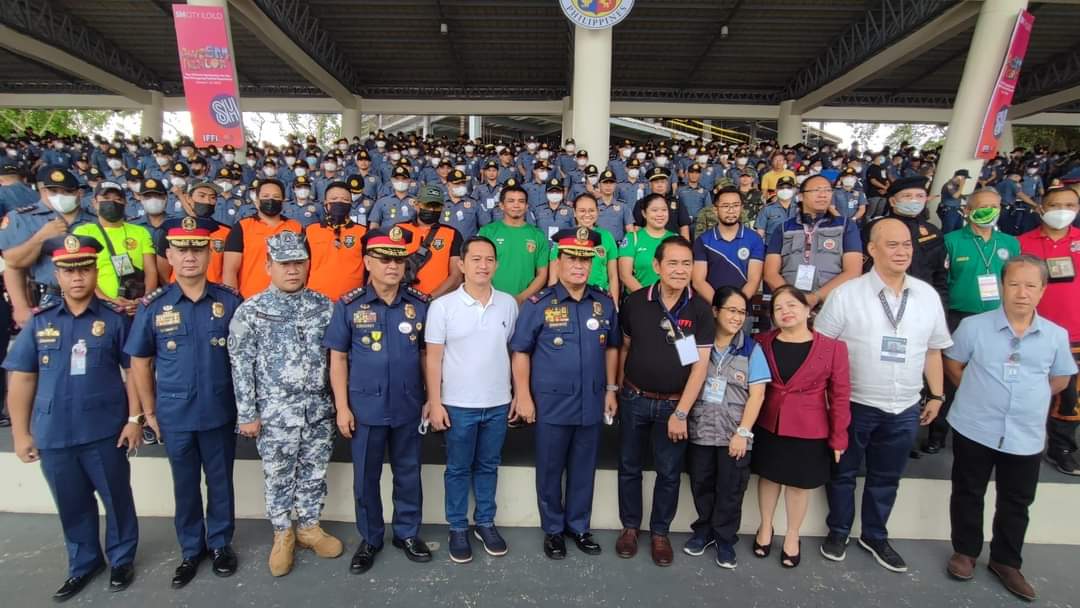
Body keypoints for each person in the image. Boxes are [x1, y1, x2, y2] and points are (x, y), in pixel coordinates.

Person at [3, 235, 140, 601]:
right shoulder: (39, 323)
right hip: (54, 432)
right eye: (68, 270)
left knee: (117, 498)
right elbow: (22, 378)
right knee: (72, 503)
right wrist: (20, 434)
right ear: (57, 275)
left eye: (83, 269)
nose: (77, 277)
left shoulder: (114, 320)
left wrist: (134, 418)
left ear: (95, 272)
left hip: (104, 430)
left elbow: (133, 371)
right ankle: (83, 563)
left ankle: (121, 558)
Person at [815, 218, 952, 572]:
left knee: (887, 476)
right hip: (855, 403)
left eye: (906, 244)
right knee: (843, 473)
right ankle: (839, 531)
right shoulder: (847, 294)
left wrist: (936, 396)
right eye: (892, 244)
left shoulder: (926, 296)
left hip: (905, 405)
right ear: (872, 249)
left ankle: (875, 535)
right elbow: (823, 349)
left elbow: (934, 350)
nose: (902, 251)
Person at [943, 255, 1077, 601]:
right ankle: (965, 552)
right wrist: (981, 394)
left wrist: (1027, 398)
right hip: (974, 425)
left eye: (1031, 285)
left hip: (1025, 432)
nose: (1021, 292)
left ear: (1043, 290)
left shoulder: (1055, 335)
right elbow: (954, 365)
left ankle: (1006, 561)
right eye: (1014, 284)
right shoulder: (974, 327)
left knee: (1016, 500)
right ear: (1002, 286)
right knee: (967, 491)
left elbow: (1060, 379)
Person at [124, 217, 243, 587]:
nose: (190, 257)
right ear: (169, 256)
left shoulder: (229, 302)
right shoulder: (154, 306)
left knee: (221, 482)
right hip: (175, 414)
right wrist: (147, 412)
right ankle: (191, 550)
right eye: (182, 250)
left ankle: (221, 544)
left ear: (209, 254)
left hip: (220, 410)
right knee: (185, 484)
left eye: (197, 249)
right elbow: (140, 362)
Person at [228, 230, 342, 577]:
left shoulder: (325, 306)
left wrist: (339, 405)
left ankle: (309, 527)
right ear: (268, 266)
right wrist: (247, 413)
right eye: (284, 264)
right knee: (278, 477)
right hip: (275, 414)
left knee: (313, 473)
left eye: (298, 263)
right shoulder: (252, 310)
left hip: (318, 411)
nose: (292, 270)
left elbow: (337, 359)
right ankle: (282, 533)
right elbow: (240, 363)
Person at [325, 226, 433, 574]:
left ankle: (407, 533)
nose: (392, 266)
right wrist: (341, 407)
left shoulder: (419, 305)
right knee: (366, 478)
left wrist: (431, 398)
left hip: (407, 405)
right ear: (368, 261)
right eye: (384, 258)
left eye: (399, 259)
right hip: (365, 408)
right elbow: (338, 358)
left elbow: (425, 356)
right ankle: (370, 538)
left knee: (408, 474)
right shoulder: (349, 304)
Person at [510, 228, 620, 560]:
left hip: (591, 400)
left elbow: (613, 348)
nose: (579, 266)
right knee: (550, 468)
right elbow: (521, 352)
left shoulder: (602, 302)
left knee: (584, 468)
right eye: (572, 258)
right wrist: (523, 396)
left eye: (585, 260)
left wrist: (612, 389)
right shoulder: (538, 303)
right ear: (559, 262)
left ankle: (578, 527)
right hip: (551, 403)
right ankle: (554, 530)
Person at [615, 236, 714, 567]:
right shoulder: (635, 303)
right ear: (656, 266)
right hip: (633, 398)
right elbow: (625, 348)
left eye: (686, 263)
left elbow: (700, 366)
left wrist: (682, 411)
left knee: (668, 473)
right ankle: (630, 528)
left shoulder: (700, 308)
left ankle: (659, 533)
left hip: (674, 406)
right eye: (672, 263)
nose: (680, 270)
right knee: (629, 467)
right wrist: (615, 391)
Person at [424, 236, 519, 564]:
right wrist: (435, 403)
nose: (483, 265)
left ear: (496, 264)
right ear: (461, 265)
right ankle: (458, 527)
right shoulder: (442, 306)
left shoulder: (508, 303)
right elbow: (433, 359)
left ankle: (485, 523)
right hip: (457, 405)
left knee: (489, 465)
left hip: (496, 402)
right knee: (458, 468)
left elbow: (509, 350)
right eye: (475, 259)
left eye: (489, 259)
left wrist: (515, 395)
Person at [752, 286, 850, 568]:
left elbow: (840, 396)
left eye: (792, 305)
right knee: (768, 478)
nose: (786, 311)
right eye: (779, 307)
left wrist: (838, 437)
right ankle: (766, 527)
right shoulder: (761, 342)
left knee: (798, 485)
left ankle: (793, 535)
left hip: (809, 427)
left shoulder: (833, 348)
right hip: (769, 423)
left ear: (808, 310)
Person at [683, 287, 770, 569]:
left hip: (735, 435)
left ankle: (724, 539)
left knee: (731, 489)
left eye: (742, 312)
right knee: (701, 484)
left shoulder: (751, 348)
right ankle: (703, 531)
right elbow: (677, 376)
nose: (737, 317)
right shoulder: (695, 344)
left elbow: (757, 394)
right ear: (715, 311)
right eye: (731, 310)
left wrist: (743, 433)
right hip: (700, 430)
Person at [928, 188, 1019, 453]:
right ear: (967, 211)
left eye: (995, 206)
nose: (989, 211)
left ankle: (987, 432)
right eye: (982, 206)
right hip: (959, 318)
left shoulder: (1010, 243)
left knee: (995, 374)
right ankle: (938, 432)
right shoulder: (951, 241)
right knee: (950, 376)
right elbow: (942, 281)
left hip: (998, 319)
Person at [1018, 186, 1080, 475]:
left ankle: (1062, 448)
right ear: (1042, 208)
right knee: (1025, 388)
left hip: (1074, 333)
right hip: (1028, 331)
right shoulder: (1021, 243)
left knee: (1069, 397)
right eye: (1056, 205)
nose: (1063, 210)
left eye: (1070, 205)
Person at [0, 167, 96, 327]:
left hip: (92, 297)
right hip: (47, 298)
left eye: (67, 191)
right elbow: (14, 263)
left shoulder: (94, 220)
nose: (61, 196)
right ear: (42, 191)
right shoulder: (22, 219)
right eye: (54, 191)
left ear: (78, 193)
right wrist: (21, 307)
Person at [763, 175, 863, 309]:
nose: (823, 195)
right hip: (790, 307)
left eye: (827, 190)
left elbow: (853, 271)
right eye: (816, 190)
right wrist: (793, 300)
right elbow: (770, 273)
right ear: (801, 196)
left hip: (832, 306)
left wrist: (816, 297)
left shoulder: (846, 226)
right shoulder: (783, 228)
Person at [72, 181, 158, 313]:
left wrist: (144, 301)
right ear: (94, 202)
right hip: (99, 306)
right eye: (106, 198)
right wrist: (107, 300)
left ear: (125, 204)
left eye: (118, 199)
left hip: (136, 306)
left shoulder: (140, 232)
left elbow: (151, 271)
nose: (112, 203)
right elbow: (82, 273)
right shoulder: (83, 232)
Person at [863, 175, 949, 307]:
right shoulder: (875, 228)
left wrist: (941, 309)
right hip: (881, 301)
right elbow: (864, 269)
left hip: (922, 303)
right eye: (907, 196)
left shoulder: (933, 232)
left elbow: (940, 277)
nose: (914, 200)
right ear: (892, 201)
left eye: (920, 196)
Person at [222, 178, 301, 298]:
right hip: (250, 302)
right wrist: (232, 302)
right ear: (257, 201)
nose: (271, 199)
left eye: (276, 196)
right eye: (265, 196)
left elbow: (304, 267)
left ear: (283, 201)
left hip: (290, 302)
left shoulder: (296, 227)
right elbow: (229, 271)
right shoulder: (242, 227)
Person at [691, 187, 764, 304]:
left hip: (742, 310)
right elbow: (698, 281)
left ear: (741, 208)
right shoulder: (703, 241)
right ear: (715, 210)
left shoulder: (754, 239)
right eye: (725, 206)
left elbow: (754, 280)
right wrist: (721, 306)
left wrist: (736, 307)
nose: (731, 210)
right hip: (711, 309)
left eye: (735, 205)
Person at [477, 185, 549, 303]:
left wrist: (521, 298)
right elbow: (478, 269)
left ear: (526, 206)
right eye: (511, 201)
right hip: (490, 301)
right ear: (501, 205)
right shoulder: (487, 232)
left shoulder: (538, 235)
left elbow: (542, 275)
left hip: (525, 303)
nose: (516, 205)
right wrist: (491, 297)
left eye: (521, 201)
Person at [304, 181, 368, 302]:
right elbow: (303, 267)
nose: (339, 202)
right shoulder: (311, 230)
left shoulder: (362, 232)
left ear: (350, 204)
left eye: (344, 199)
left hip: (353, 301)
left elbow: (369, 269)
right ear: (326, 203)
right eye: (334, 198)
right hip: (316, 301)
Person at [547, 193, 619, 298]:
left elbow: (613, 276)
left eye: (591, 210)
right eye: (582, 211)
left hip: (599, 297)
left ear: (597, 212)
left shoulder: (607, 236)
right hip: (567, 297)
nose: (587, 214)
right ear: (574, 213)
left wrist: (614, 304)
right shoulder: (564, 238)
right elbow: (553, 277)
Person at [405, 184, 464, 297]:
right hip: (402, 302)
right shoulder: (399, 230)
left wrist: (429, 298)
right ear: (417, 205)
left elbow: (456, 277)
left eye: (436, 206)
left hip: (438, 302)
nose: (432, 209)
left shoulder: (452, 234)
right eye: (428, 205)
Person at [618, 194, 676, 294]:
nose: (660, 214)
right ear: (644, 213)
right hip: (641, 300)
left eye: (664, 210)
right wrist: (648, 298)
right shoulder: (633, 238)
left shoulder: (675, 239)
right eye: (654, 210)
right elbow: (625, 275)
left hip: (671, 300)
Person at [753, 175, 799, 240]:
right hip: (772, 248)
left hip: (795, 248)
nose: (785, 190)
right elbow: (759, 234)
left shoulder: (800, 209)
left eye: (788, 187)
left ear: (794, 190)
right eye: (781, 187)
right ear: (776, 190)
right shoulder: (767, 209)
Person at [938, 170, 969, 234]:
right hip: (949, 210)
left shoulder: (955, 185)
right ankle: (942, 243)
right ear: (959, 177)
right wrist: (962, 185)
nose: (965, 180)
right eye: (964, 178)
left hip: (956, 210)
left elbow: (958, 195)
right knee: (947, 231)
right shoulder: (949, 184)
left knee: (958, 230)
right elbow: (955, 196)